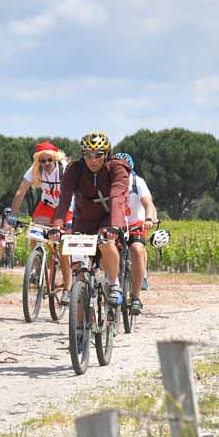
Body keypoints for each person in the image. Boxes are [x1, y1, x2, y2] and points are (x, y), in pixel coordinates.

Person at [51, 131, 130, 306]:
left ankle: (114, 284)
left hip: (109, 218)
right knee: (80, 273)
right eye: (88, 155)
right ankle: (79, 327)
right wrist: (57, 226)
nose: (92, 159)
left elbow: (117, 197)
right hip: (84, 219)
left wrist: (115, 226)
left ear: (107, 154)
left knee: (105, 241)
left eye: (98, 154)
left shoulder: (117, 168)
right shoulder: (74, 169)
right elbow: (64, 199)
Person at [8, 141, 72, 299]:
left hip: (66, 206)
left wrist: (74, 217)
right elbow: (20, 192)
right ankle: (36, 268)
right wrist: (13, 215)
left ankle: (68, 288)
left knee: (65, 248)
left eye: (50, 160)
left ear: (56, 159)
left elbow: (76, 194)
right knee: (35, 234)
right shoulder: (34, 170)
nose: (47, 163)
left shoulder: (65, 169)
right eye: (42, 161)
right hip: (47, 205)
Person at [115, 153, 158, 315]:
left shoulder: (137, 182)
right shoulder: (110, 182)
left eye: (125, 168)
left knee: (137, 250)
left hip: (135, 224)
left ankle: (136, 297)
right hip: (117, 225)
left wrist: (148, 218)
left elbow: (148, 203)